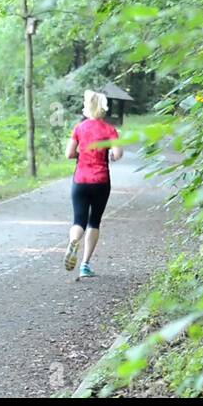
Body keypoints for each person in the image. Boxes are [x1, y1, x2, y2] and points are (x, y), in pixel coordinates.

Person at [64, 90, 123, 278]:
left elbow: (69, 154)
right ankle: (84, 265)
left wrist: (80, 155)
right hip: (101, 181)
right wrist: (112, 153)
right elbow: (118, 154)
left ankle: (74, 240)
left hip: (80, 179)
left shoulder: (79, 128)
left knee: (78, 220)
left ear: (87, 107)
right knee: (94, 221)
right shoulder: (109, 129)